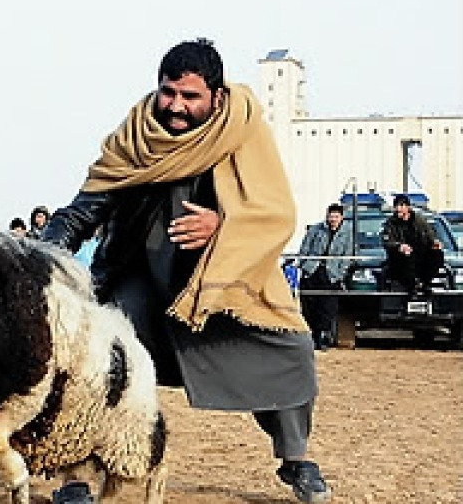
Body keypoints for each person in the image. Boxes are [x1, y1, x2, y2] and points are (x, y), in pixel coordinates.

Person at [42, 39, 329, 503]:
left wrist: (224, 225)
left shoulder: (243, 132)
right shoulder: (134, 140)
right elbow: (84, 208)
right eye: (168, 93)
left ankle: (295, 459)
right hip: (139, 282)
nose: (176, 106)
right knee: (87, 360)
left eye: (189, 97)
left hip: (219, 284)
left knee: (290, 346)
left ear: (215, 97)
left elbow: (273, 212)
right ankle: (74, 479)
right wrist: (42, 256)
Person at [297, 204, 355, 349]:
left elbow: (347, 255)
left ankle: (323, 337)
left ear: (341, 217)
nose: (333, 219)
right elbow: (305, 248)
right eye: (331, 216)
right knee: (309, 306)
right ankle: (311, 337)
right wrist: (305, 265)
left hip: (331, 274)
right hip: (312, 271)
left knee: (327, 307)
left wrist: (339, 274)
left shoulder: (347, 233)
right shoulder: (316, 229)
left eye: (336, 216)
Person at [381, 194, 445, 295]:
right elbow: (387, 241)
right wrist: (399, 246)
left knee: (437, 254)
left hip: (421, 258)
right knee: (406, 256)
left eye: (402, 206)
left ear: (408, 207)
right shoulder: (390, 224)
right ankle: (412, 285)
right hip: (401, 261)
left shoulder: (420, 221)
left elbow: (430, 235)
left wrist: (435, 243)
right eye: (397, 206)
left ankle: (424, 283)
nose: (399, 209)